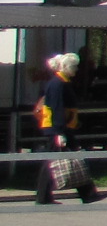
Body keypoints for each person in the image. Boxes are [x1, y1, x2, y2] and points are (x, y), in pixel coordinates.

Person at [29, 52, 100, 205]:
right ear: (66, 67)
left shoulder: (61, 82)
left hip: (62, 127)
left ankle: (86, 193)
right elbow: (57, 108)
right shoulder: (58, 84)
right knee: (56, 162)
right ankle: (87, 193)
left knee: (61, 160)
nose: (76, 70)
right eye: (74, 67)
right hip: (59, 129)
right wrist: (59, 132)